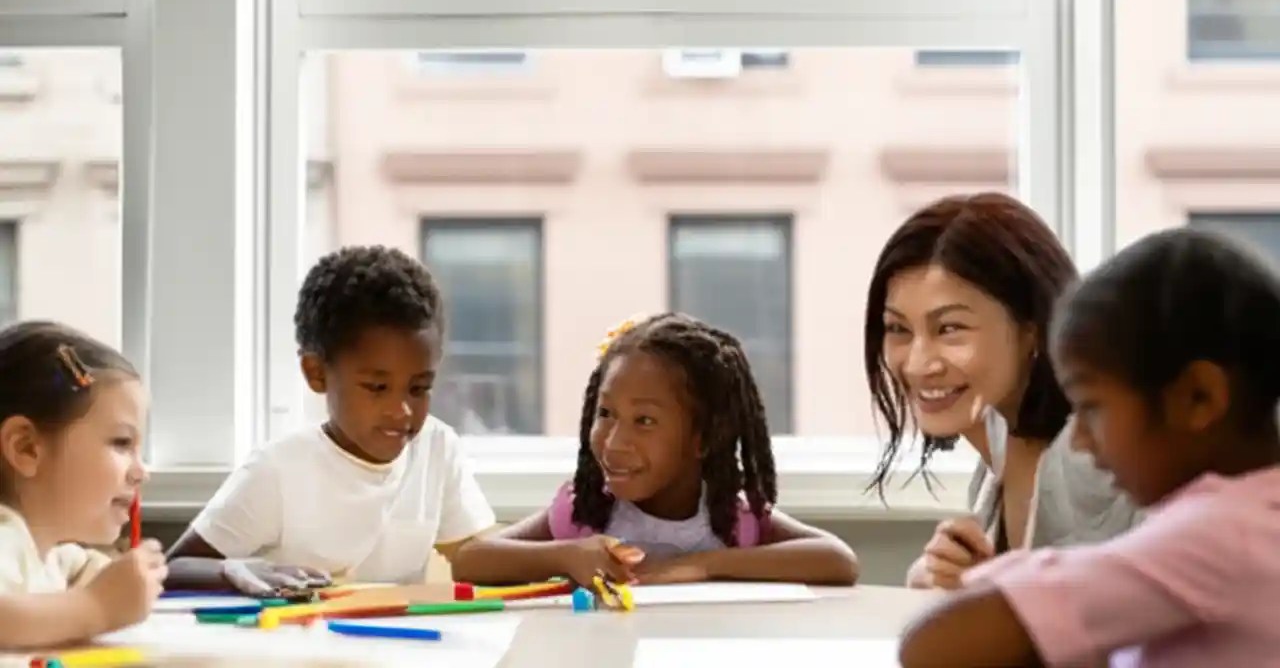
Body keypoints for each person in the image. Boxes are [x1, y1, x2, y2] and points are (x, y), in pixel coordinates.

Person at [899, 227, 1280, 667]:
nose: (1079, 439)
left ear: (1198, 398)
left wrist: (989, 579)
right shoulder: (1256, 521)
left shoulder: (1214, 536)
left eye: (1092, 407)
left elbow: (933, 646)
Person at [166, 246, 496, 593]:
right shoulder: (278, 471)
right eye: (377, 387)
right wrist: (234, 570)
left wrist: (555, 531)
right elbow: (175, 567)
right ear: (316, 373)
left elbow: (474, 555)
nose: (402, 410)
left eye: (419, 388)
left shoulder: (436, 448)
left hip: (398, 645)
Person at [451, 313, 859, 588]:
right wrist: (566, 555)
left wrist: (700, 565)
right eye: (606, 413)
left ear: (704, 437)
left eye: (644, 421)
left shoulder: (731, 520)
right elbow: (472, 560)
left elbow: (837, 560)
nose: (613, 441)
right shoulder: (587, 513)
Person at [864, 193, 1138, 589]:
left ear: (1032, 327)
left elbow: (1120, 625)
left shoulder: (1092, 458)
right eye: (898, 330)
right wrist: (936, 572)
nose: (919, 363)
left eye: (950, 329)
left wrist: (983, 590)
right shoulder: (997, 430)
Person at [0, 321, 166, 649]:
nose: (141, 471)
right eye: (121, 443)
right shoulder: (6, 537)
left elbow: (88, 569)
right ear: (26, 448)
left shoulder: (52, 553)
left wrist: (128, 580)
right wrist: (97, 607)